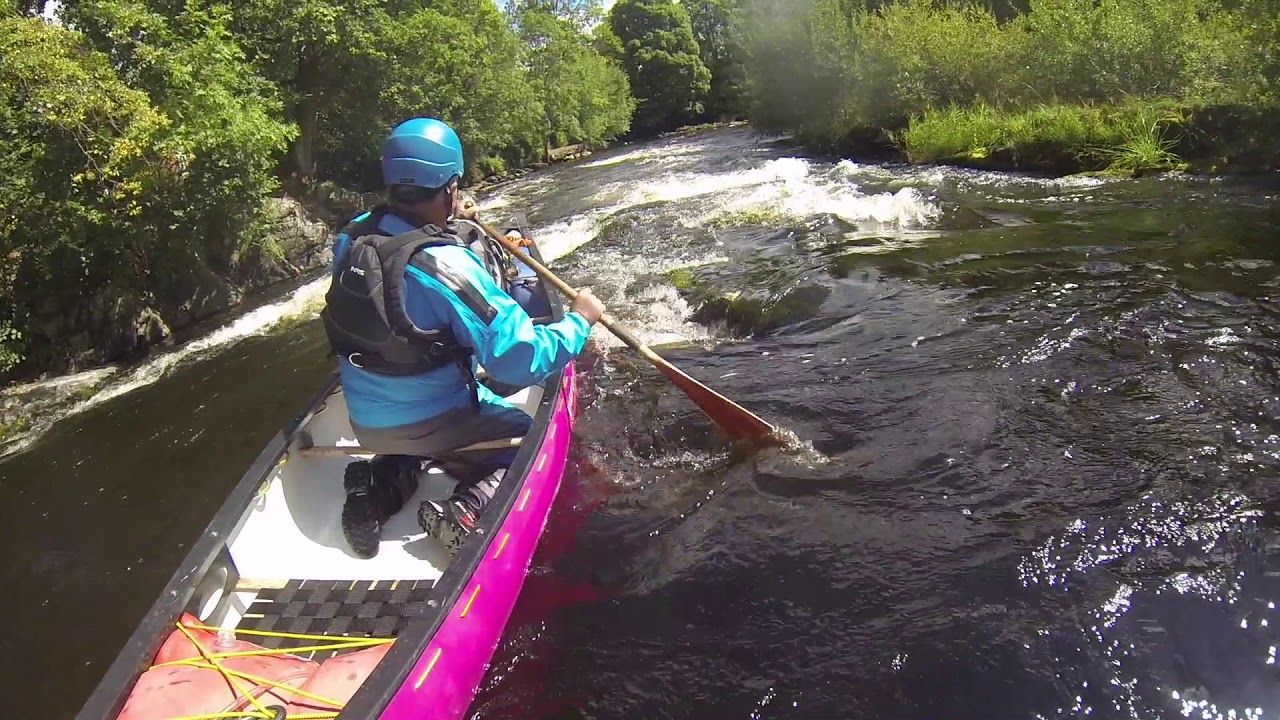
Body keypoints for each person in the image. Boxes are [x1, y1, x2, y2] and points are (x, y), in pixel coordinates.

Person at [320, 117, 605, 558]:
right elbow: (516, 358)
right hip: (434, 421)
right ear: (450, 187)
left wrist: (452, 218)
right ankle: (468, 510)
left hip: (365, 422)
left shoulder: (351, 237)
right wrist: (580, 321)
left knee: (414, 438)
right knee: (525, 441)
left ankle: (376, 487)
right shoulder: (445, 265)